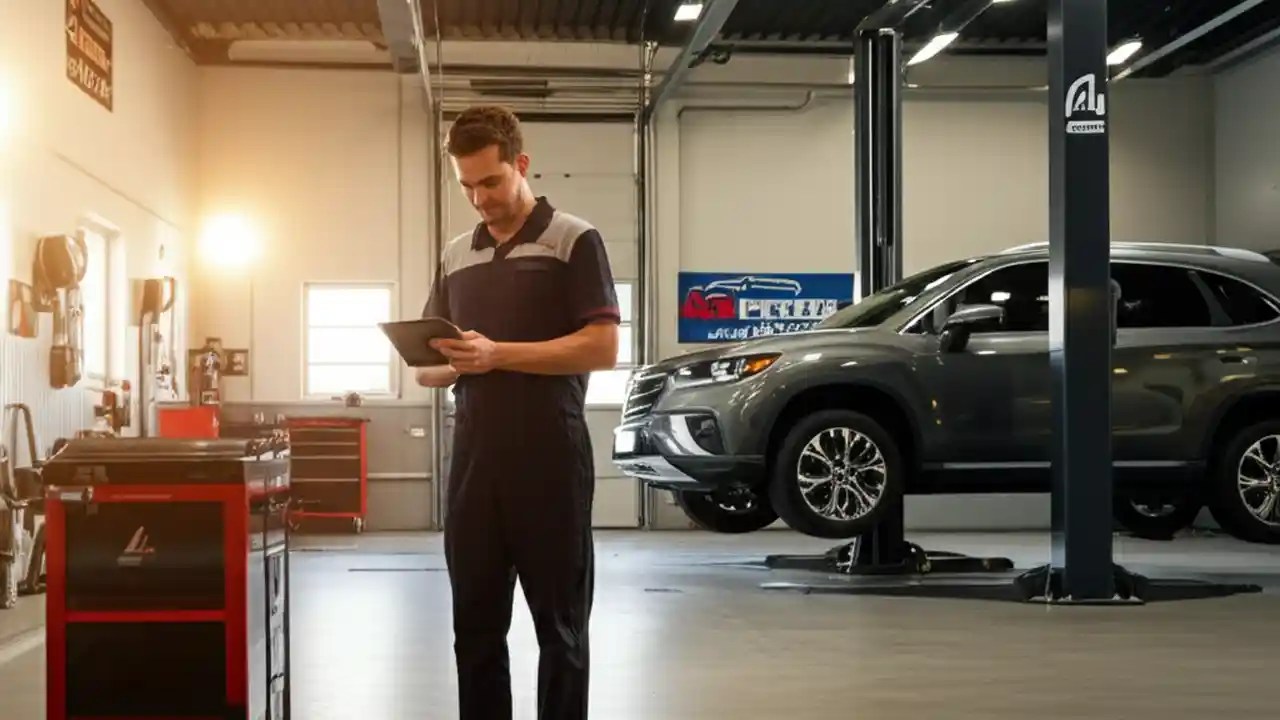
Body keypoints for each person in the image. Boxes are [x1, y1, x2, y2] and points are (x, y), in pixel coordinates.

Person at [416, 105, 620, 720]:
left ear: (520, 165)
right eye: (467, 186)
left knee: (561, 633)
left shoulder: (573, 240)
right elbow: (427, 368)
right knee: (474, 631)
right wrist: (463, 360)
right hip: (475, 465)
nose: (479, 198)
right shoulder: (456, 255)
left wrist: (496, 353)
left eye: (491, 181)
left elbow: (602, 347)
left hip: (550, 461)